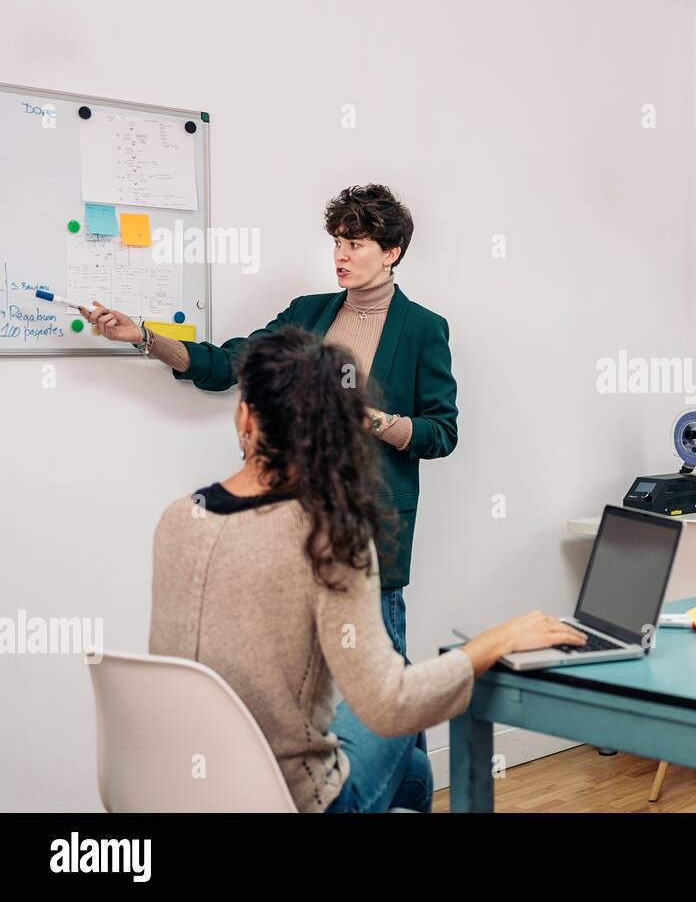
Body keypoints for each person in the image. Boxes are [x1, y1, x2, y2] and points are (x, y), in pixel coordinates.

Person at [148, 328, 585, 812]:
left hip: (179, 793)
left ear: (245, 416)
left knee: (415, 769)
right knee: (399, 713)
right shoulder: (329, 536)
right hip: (292, 801)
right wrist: (493, 642)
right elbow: (390, 704)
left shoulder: (179, 518)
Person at [83, 183, 447, 655]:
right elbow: (233, 361)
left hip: (370, 526)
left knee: (381, 677)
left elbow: (441, 431)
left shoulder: (423, 328)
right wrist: (147, 338)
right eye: (337, 242)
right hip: (293, 517)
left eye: (354, 244)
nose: (340, 255)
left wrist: (373, 421)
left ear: (391, 252)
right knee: (301, 668)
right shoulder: (308, 312)